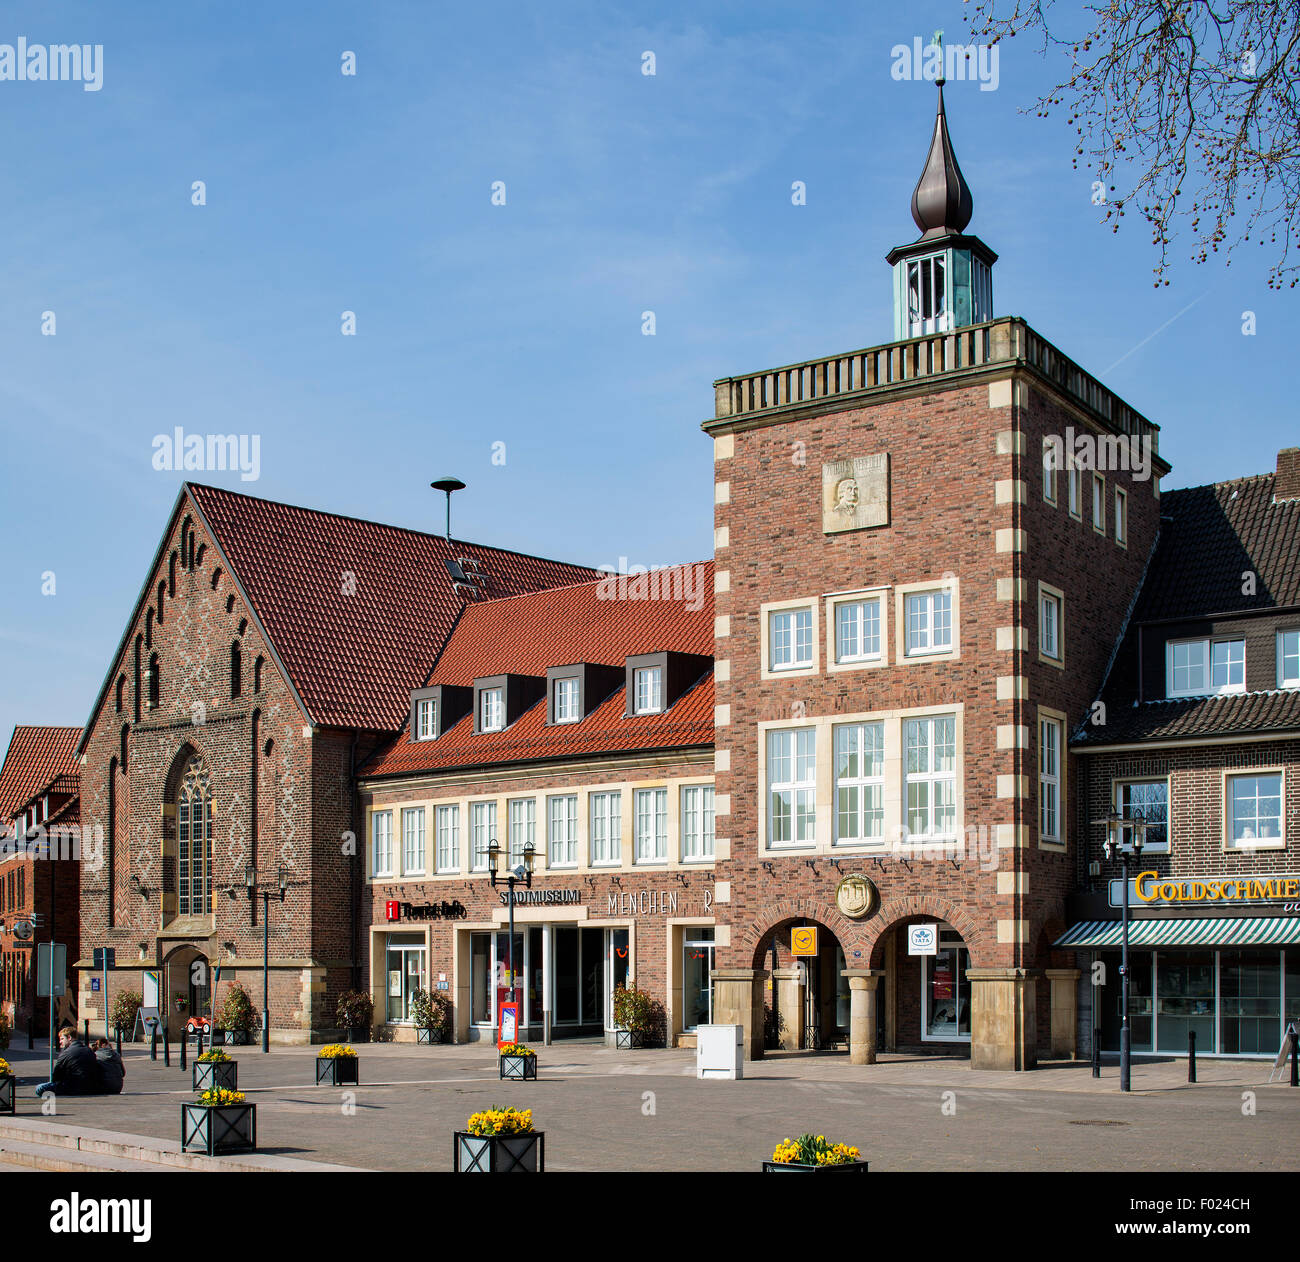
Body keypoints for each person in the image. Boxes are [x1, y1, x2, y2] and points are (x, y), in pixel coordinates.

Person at [34, 1027, 98, 1097]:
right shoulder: (89, 1050)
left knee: (39, 1087)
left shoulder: (66, 1053)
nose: (60, 1042)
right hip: (91, 1087)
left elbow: (56, 1074)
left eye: (62, 1039)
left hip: (72, 1087)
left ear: (69, 1037)